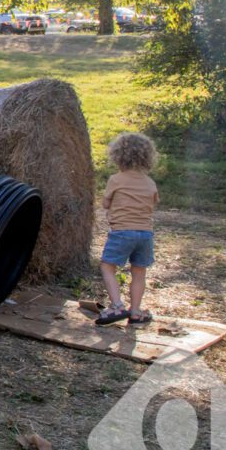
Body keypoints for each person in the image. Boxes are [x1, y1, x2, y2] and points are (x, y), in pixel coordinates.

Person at [95, 132, 159, 326]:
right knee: (139, 272)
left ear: (118, 156)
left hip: (122, 232)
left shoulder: (116, 179)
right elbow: (153, 203)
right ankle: (136, 311)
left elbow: (106, 204)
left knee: (107, 267)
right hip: (145, 234)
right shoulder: (150, 182)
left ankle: (116, 306)